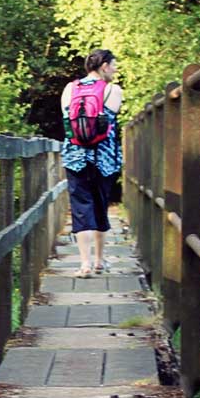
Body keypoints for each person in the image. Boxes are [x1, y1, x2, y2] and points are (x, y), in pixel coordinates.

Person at [61, 48, 124, 277]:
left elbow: (67, 121)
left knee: (81, 208)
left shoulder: (71, 88)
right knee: (100, 206)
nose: (116, 70)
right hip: (104, 159)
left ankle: (84, 264)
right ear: (104, 66)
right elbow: (109, 121)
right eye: (114, 65)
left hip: (75, 157)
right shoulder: (112, 90)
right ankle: (99, 261)